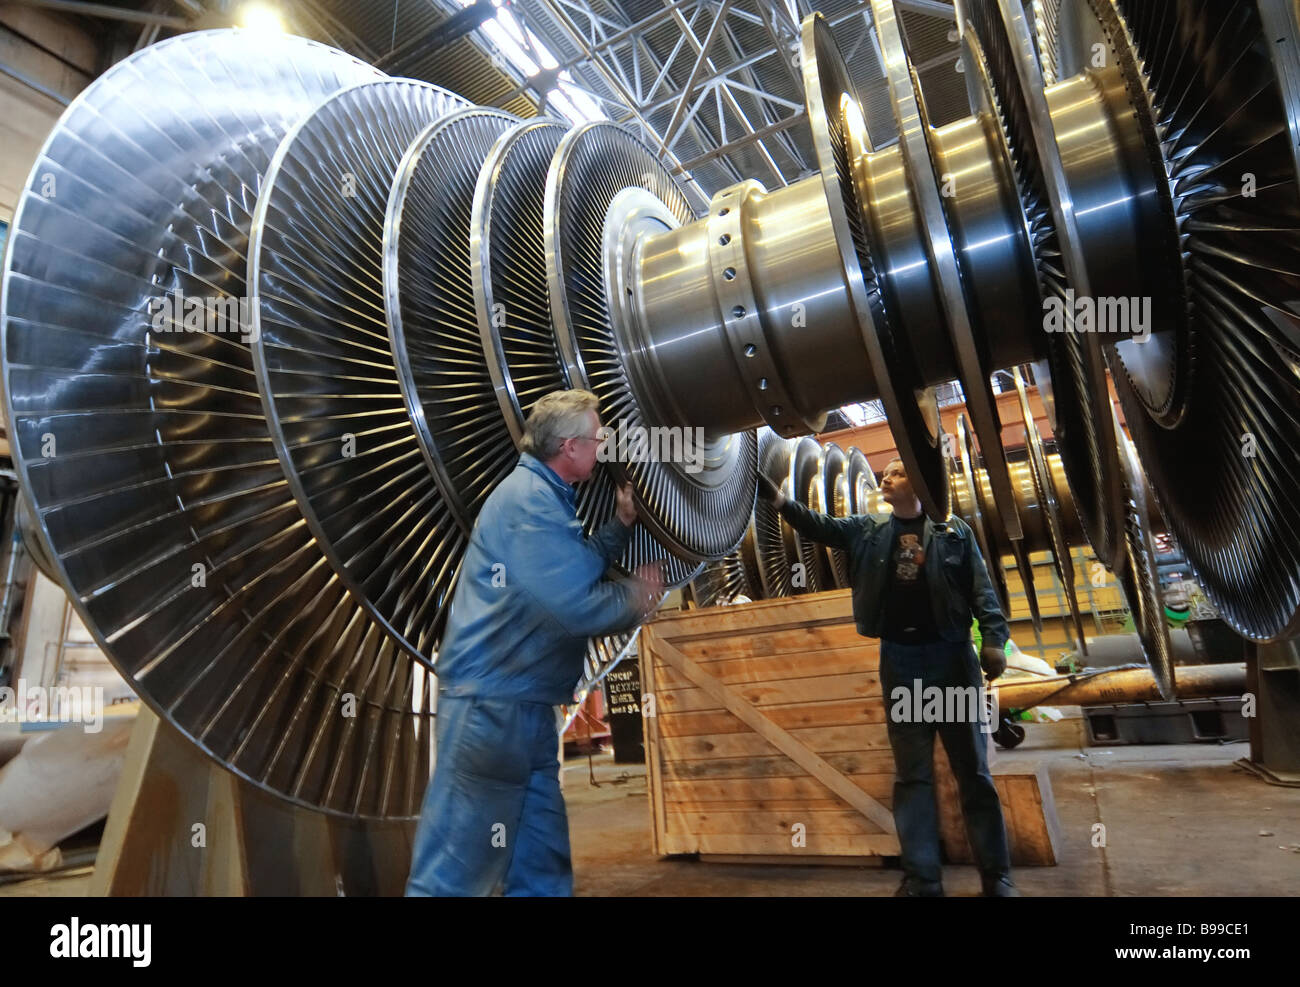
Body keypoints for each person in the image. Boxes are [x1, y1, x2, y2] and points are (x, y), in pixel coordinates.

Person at [406, 389, 662, 896]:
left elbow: (571, 569)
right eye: (597, 438)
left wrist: (620, 527)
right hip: (490, 709)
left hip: (525, 706)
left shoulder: (546, 497)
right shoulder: (527, 502)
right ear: (570, 447)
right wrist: (638, 597)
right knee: (456, 868)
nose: (602, 446)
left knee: (539, 856)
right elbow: (573, 607)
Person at [759, 458, 1019, 897]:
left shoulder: (954, 531)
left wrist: (993, 638)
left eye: (897, 473)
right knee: (912, 775)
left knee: (972, 771)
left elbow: (982, 589)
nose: (886, 478)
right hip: (902, 664)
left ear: (918, 482)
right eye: (886, 473)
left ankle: (997, 878)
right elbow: (820, 527)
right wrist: (781, 501)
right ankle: (923, 880)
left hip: (952, 661)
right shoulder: (868, 528)